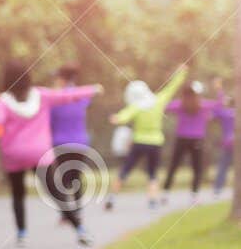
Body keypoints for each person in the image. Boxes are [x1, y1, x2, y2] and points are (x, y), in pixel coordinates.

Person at [0, 63, 103, 246]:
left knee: (18, 194)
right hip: (39, 153)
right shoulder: (41, 95)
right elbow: (67, 95)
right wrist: (93, 89)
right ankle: (80, 230)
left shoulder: (4, 102)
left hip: (14, 154)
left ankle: (22, 234)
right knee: (56, 193)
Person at [107, 66, 188, 209]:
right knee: (152, 173)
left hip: (139, 142)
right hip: (155, 143)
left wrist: (117, 118)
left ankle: (112, 198)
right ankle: (152, 201)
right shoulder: (158, 101)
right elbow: (171, 88)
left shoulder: (136, 106)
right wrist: (182, 72)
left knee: (125, 169)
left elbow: (125, 115)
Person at [46, 66, 96, 224]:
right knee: (76, 177)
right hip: (80, 142)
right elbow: (88, 98)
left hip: (60, 142)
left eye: (57, 78)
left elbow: (49, 121)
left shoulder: (54, 99)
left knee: (62, 179)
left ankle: (66, 214)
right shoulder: (82, 97)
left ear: (62, 79)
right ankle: (77, 211)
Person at [163, 81, 215, 200]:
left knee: (174, 166)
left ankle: (166, 193)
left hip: (181, 139)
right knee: (197, 168)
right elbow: (219, 104)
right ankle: (194, 195)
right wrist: (218, 89)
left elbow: (166, 106)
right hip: (197, 140)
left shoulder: (179, 105)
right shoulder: (203, 105)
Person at [212, 94, 236, 195]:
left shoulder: (225, 113)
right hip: (238, 143)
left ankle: (218, 188)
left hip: (227, 142)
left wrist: (219, 98)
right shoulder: (239, 113)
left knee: (223, 166)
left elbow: (214, 112)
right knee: (240, 166)